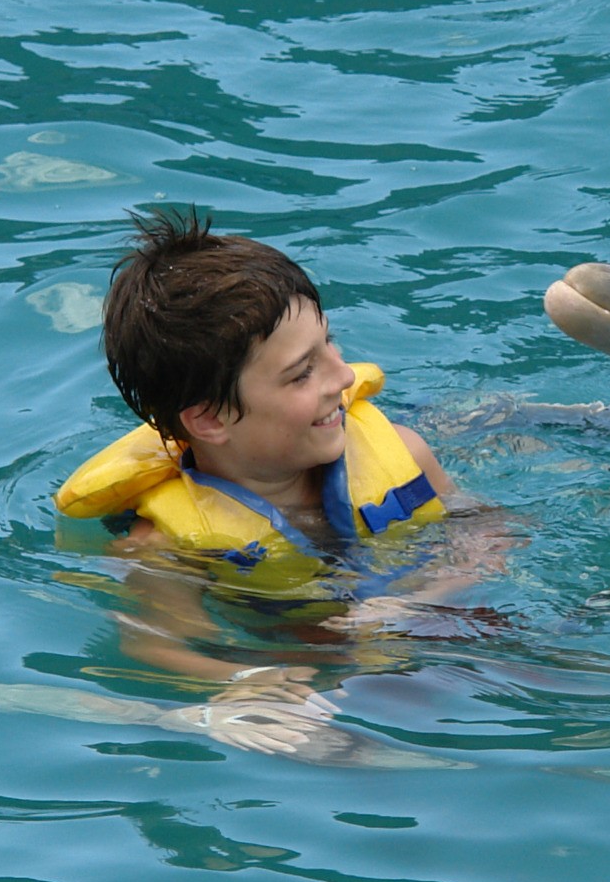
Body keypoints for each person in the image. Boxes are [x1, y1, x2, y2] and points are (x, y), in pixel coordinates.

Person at [55, 208, 484, 751]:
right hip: (324, 675)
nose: (344, 376)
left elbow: (491, 538)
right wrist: (243, 681)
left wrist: (415, 601)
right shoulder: (168, 549)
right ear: (210, 420)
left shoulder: (404, 451)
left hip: (449, 632)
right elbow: (153, 645)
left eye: (331, 344)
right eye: (302, 372)